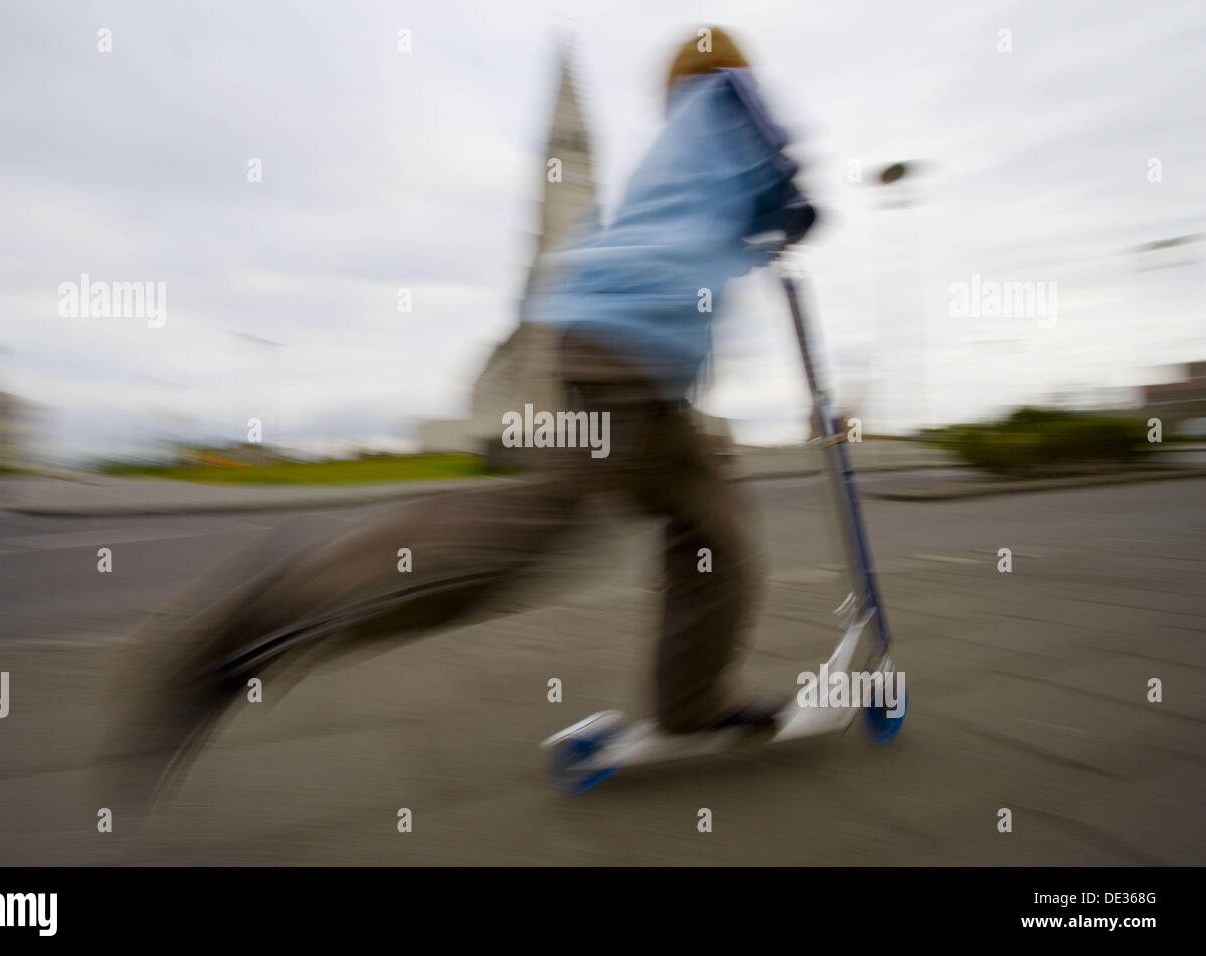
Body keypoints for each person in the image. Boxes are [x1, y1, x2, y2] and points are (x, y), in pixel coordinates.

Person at [104, 26, 816, 808]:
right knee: (527, 532)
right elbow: (776, 165)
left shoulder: (678, 146)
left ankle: (692, 702)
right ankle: (260, 619)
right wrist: (795, 210)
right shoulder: (723, 102)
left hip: (637, 363)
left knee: (714, 528)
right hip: (627, 357)